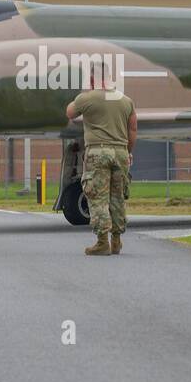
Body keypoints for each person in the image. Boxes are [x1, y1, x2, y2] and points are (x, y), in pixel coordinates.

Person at [66, 68, 137, 256]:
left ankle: (102, 242)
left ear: (92, 79)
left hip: (98, 151)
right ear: (110, 78)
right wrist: (127, 151)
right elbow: (133, 130)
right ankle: (117, 241)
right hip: (120, 152)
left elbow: (70, 112)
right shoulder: (126, 100)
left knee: (98, 197)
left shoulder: (88, 98)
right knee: (118, 197)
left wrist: (85, 93)